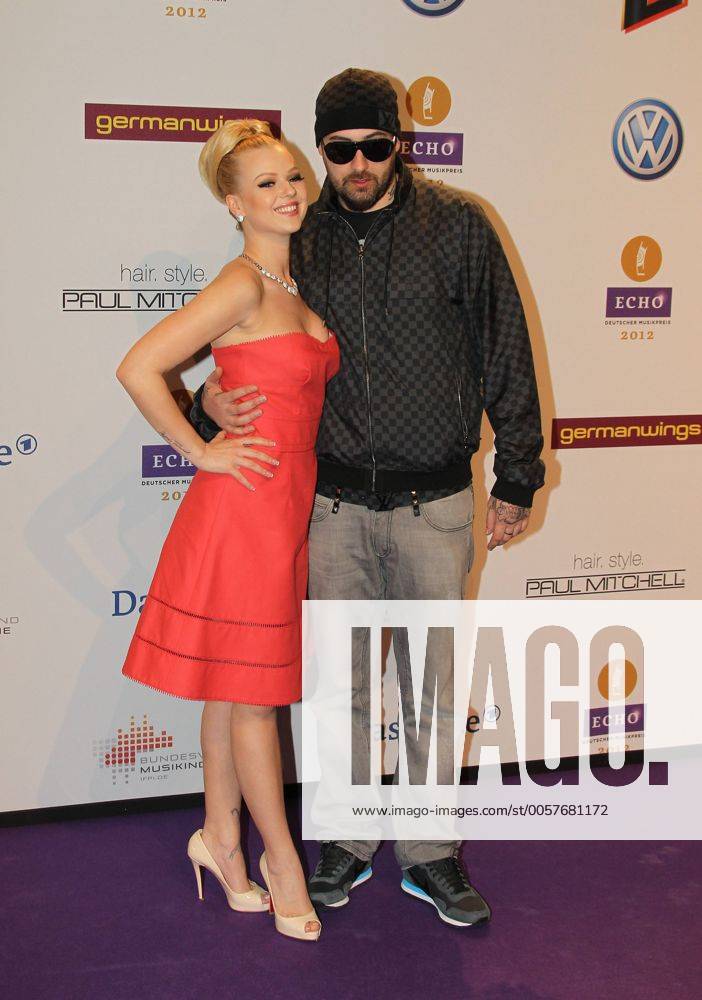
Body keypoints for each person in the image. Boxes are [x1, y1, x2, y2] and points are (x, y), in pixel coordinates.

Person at [191, 68, 546, 928]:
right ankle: (345, 840)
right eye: (339, 149)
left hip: (436, 501)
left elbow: (505, 348)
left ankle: (430, 853)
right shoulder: (298, 235)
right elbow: (243, 341)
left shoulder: (458, 224)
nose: (357, 164)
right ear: (321, 151)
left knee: (430, 687)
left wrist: (518, 475)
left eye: (375, 146)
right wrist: (207, 403)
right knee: (339, 687)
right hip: (332, 505)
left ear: (400, 144)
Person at [117, 118, 341, 942]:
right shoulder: (242, 284)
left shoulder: (289, 285)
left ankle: (218, 838)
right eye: (266, 183)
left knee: (230, 688)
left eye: (293, 177)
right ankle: (283, 863)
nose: (288, 192)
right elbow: (139, 366)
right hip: (243, 508)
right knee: (254, 702)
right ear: (233, 202)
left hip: (284, 506)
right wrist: (200, 447)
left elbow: (256, 375)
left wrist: (213, 396)